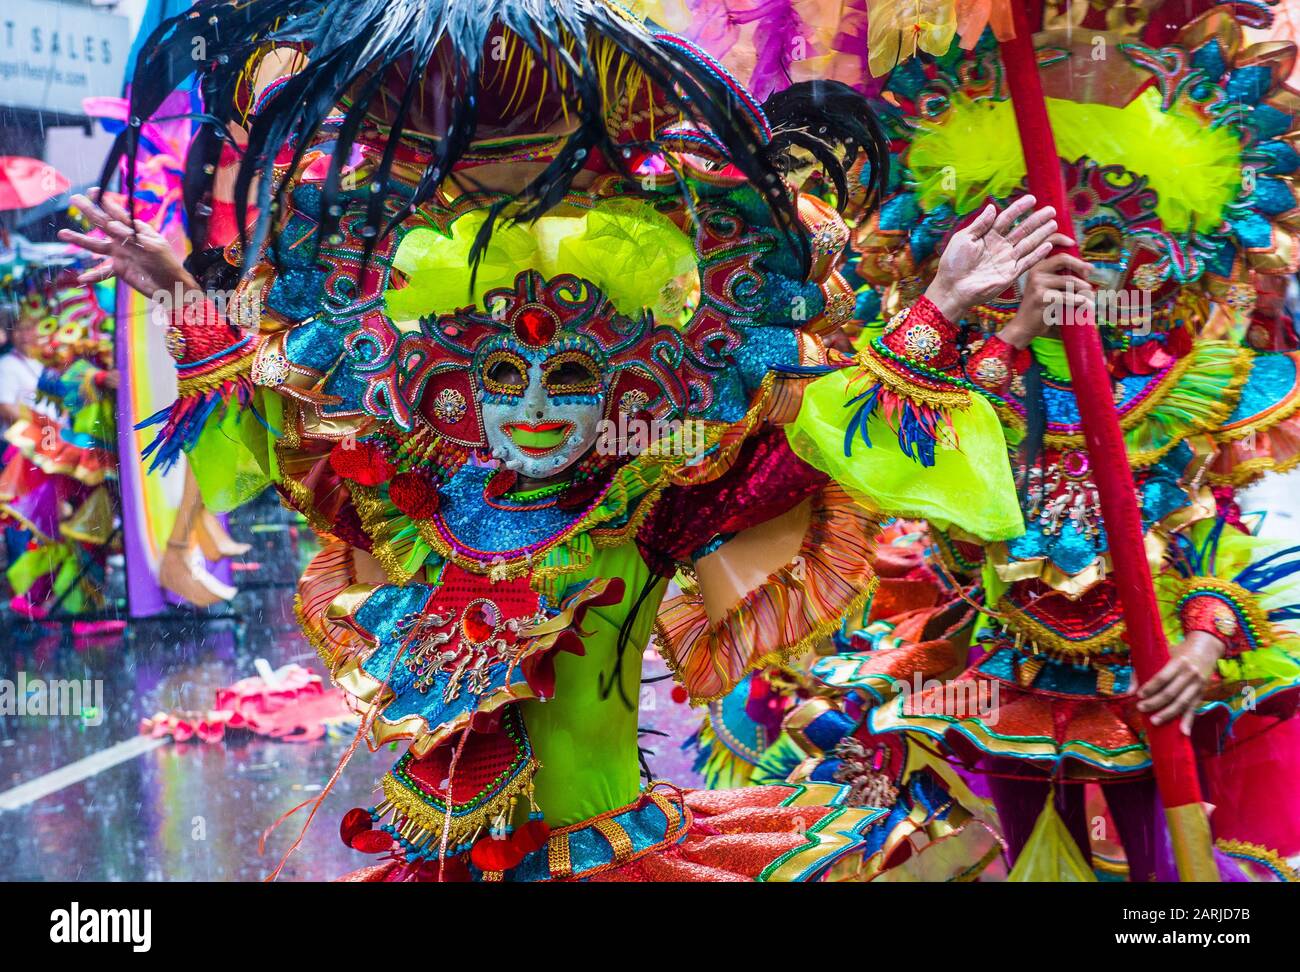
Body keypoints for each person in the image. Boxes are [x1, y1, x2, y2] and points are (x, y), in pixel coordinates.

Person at [99, 0, 1063, 882]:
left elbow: (826, 437)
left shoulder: (647, 503)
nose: (533, 408)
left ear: (626, 388)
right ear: (451, 393)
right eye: (500, 379)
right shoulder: (417, 506)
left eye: (570, 379)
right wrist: (185, 299)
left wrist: (941, 307)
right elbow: (282, 436)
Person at [808, 9, 1300, 880]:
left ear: (1165, 255)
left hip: (1146, 684)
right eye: (1052, 251)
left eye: (1107, 244)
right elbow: (935, 477)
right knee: (1028, 853)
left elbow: (1215, 534)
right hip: (1010, 670)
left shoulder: (1195, 392)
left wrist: (1204, 639)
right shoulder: (986, 388)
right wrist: (1011, 336)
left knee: (1164, 872)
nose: (1084, 274)